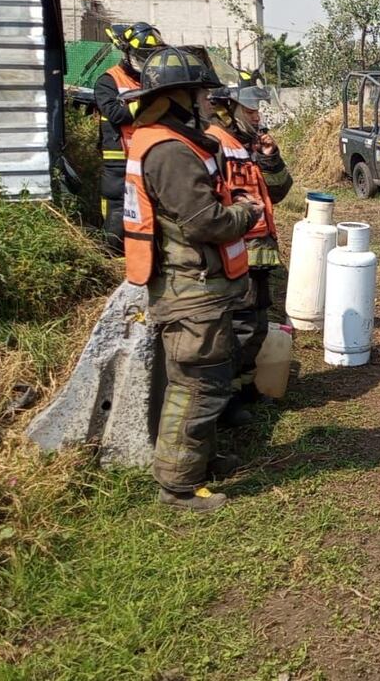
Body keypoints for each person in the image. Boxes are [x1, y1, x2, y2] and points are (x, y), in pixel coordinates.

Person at [121, 46, 262, 511]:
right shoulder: (170, 152)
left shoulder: (166, 142)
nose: (207, 102)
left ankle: (198, 461)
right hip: (190, 290)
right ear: (177, 97)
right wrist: (245, 213)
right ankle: (179, 486)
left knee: (205, 380)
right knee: (197, 386)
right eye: (200, 94)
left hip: (196, 287)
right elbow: (205, 222)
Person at [207, 70, 293, 424]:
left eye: (258, 110)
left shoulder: (249, 145)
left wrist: (270, 157)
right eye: (250, 110)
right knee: (238, 328)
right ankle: (225, 404)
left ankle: (244, 390)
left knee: (255, 326)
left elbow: (278, 191)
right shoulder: (214, 143)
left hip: (259, 253)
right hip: (234, 253)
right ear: (227, 109)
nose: (257, 117)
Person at [95, 22, 164, 253]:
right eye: (142, 55)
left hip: (149, 157)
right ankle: (113, 255)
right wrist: (150, 104)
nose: (146, 60)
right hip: (119, 158)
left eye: (150, 55)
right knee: (118, 207)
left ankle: (145, 255)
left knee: (149, 207)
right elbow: (115, 113)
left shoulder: (151, 81)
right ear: (127, 53)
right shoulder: (108, 80)